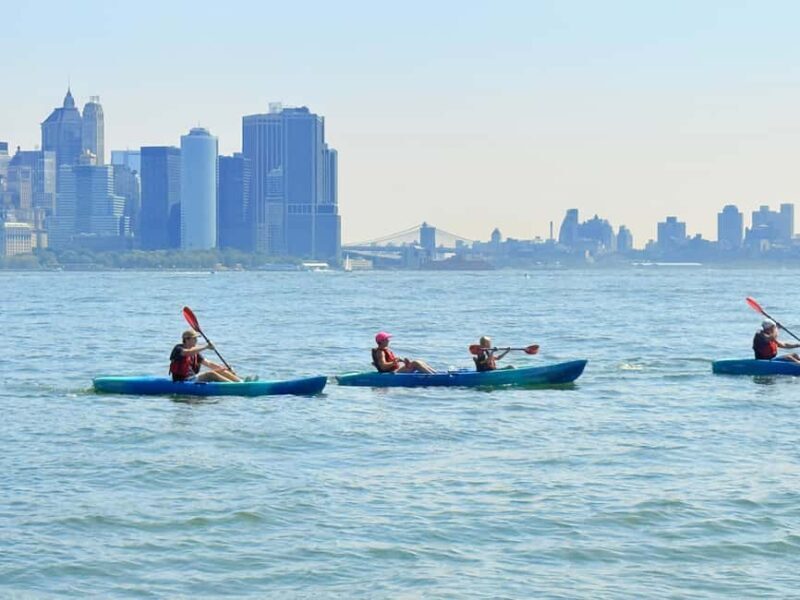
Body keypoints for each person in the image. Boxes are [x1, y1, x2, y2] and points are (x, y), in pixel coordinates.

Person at [169, 329, 242, 382]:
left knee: (221, 370)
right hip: (183, 380)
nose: (196, 340)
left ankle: (240, 382)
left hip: (193, 377)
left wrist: (225, 369)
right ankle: (234, 386)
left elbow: (208, 363)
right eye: (194, 338)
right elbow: (187, 352)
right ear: (187, 339)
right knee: (210, 374)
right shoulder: (178, 349)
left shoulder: (195, 352)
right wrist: (206, 347)